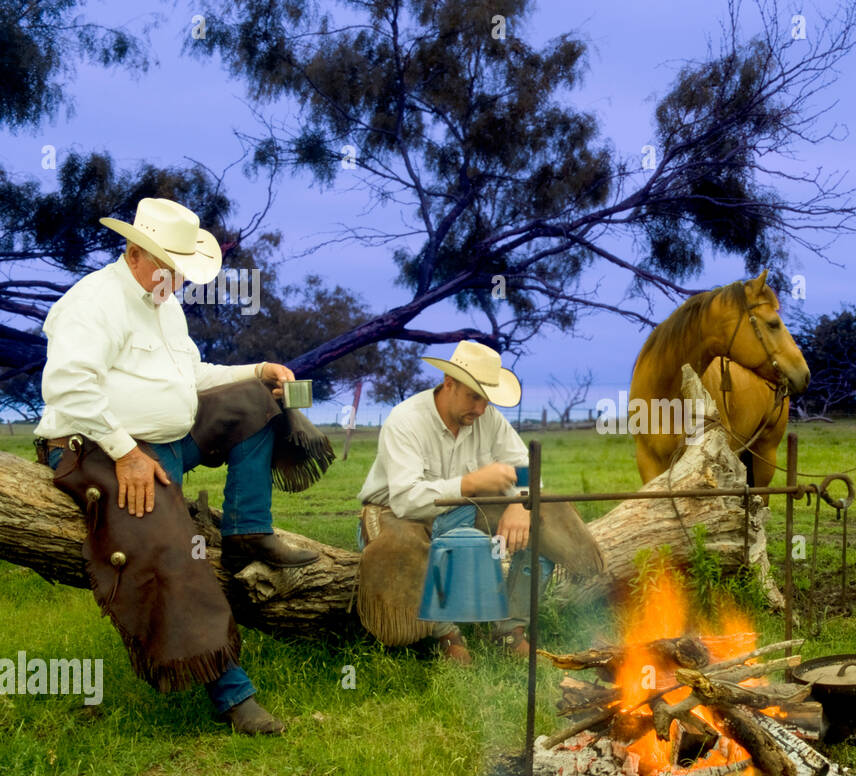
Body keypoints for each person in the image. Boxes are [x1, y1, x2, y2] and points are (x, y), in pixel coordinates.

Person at [36, 197, 322, 735]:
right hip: (95, 445)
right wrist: (124, 453)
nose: (181, 281)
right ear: (136, 251)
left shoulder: (165, 301)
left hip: (167, 440)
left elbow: (191, 374)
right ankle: (233, 695)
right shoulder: (92, 302)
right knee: (174, 546)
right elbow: (68, 389)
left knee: (256, 400)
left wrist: (256, 370)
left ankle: (246, 530)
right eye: (172, 267)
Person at [356, 340, 602, 663]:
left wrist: (520, 503)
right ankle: (445, 634)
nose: (482, 409)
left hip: (461, 512)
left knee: (541, 522)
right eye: (474, 397)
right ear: (449, 384)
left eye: (486, 399)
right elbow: (405, 500)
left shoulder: (487, 418)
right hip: (396, 516)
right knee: (407, 544)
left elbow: (528, 471)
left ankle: (508, 632)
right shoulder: (405, 421)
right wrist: (471, 483)